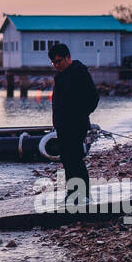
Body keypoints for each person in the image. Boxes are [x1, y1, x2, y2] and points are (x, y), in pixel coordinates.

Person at [49, 43, 99, 207]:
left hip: (76, 124)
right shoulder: (59, 76)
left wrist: (80, 114)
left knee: (76, 158)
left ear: (67, 57)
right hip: (62, 126)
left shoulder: (80, 72)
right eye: (54, 63)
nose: (57, 65)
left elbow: (93, 98)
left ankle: (84, 194)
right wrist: (56, 122)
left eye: (59, 61)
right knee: (67, 160)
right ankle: (72, 193)